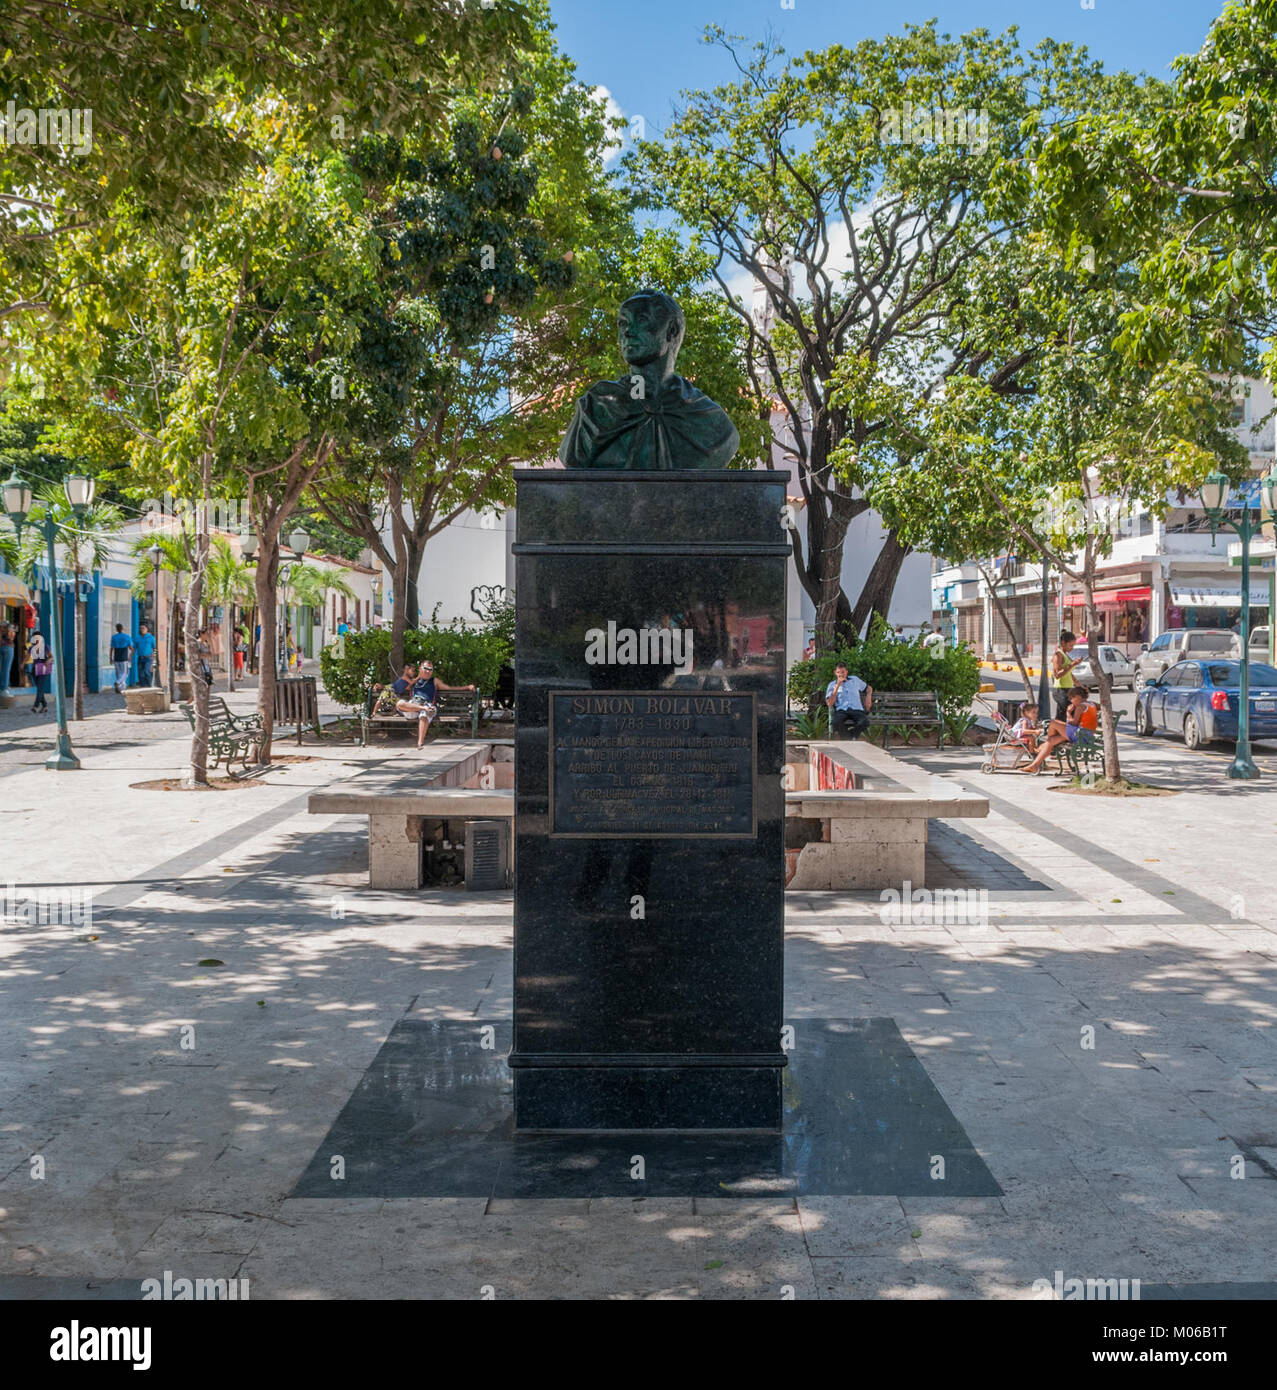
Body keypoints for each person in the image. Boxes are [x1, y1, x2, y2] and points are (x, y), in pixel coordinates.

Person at [1021, 686, 1095, 774]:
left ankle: (1043, 746)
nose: (1071, 701)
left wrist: (1068, 713)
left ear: (1078, 697)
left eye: (1072, 698)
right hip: (1087, 735)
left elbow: (1073, 723)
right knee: (1051, 740)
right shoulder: (1091, 704)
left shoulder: (1080, 706)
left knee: (1053, 723)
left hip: (1080, 735)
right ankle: (1034, 766)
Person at [407, 659, 477, 750]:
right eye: (426, 668)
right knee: (400, 704)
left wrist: (467, 687)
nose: (428, 671)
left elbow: (449, 688)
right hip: (414, 707)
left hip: (428, 706)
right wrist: (417, 678)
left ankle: (420, 743)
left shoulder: (434, 681)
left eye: (430, 669)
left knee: (424, 714)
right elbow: (404, 687)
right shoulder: (414, 681)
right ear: (420, 668)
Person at [825, 661, 872, 740]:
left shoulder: (855, 680)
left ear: (846, 672)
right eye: (838, 672)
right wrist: (837, 686)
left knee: (865, 722)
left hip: (857, 709)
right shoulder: (832, 685)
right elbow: (829, 703)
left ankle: (849, 738)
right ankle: (851, 738)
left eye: (843, 672)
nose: (841, 674)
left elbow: (869, 688)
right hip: (842, 710)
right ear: (835, 673)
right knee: (835, 723)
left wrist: (868, 696)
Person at [1051, 629, 1082, 721]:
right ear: (1063, 643)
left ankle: (1057, 733)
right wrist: (1072, 664)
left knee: (1061, 717)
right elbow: (1057, 674)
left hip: (1068, 690)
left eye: (1073, 646)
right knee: (1073, 712)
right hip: (1061, 690)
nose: (1072, 648)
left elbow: (1069, 674)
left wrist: (1079, 685)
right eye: (1070, 645)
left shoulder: (1065, 655)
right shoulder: (1058, 655)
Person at [27, 629, 50, 712]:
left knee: (40, 688)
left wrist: (48, 660)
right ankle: (45, 706)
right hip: (34, 669)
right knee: (39, 688)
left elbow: (51, 656)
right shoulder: (31, 648)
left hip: (43, 669)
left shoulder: (45, 647)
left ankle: (35, 706)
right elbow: (27, 657)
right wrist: (22, 664)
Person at [109, 622, 133, 694]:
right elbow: (131, 648)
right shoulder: (127, 637)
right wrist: (130, 656)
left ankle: (121, 689)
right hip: (124, 656)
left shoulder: (114, 637)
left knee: (118, 673)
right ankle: (118, 682)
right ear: (123, 629)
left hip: (116, 656)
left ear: (116, 629)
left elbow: (111, 648)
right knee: (125, 673)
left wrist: (110, 658)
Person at [134, 622, 156, 686]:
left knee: (147, 672)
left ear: (147, 629)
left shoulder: (151, 637)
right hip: (140, 658)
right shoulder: (137, 638)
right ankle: (142, 687)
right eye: (140, 628)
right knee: (141, 674)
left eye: (143, 628)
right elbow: (134, 648)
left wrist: (154, 660)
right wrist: (130, 656)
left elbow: (155, 649)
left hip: (148, 658)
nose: (141, 630)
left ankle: (150, 686)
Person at [0, 620, 14, 695]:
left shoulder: (1, 631)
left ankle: (3, 686)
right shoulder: (10, 630)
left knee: (2, 669)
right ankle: (4, 688)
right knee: (6, 669)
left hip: (1, 647)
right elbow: (11, 637)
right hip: (8, 648)